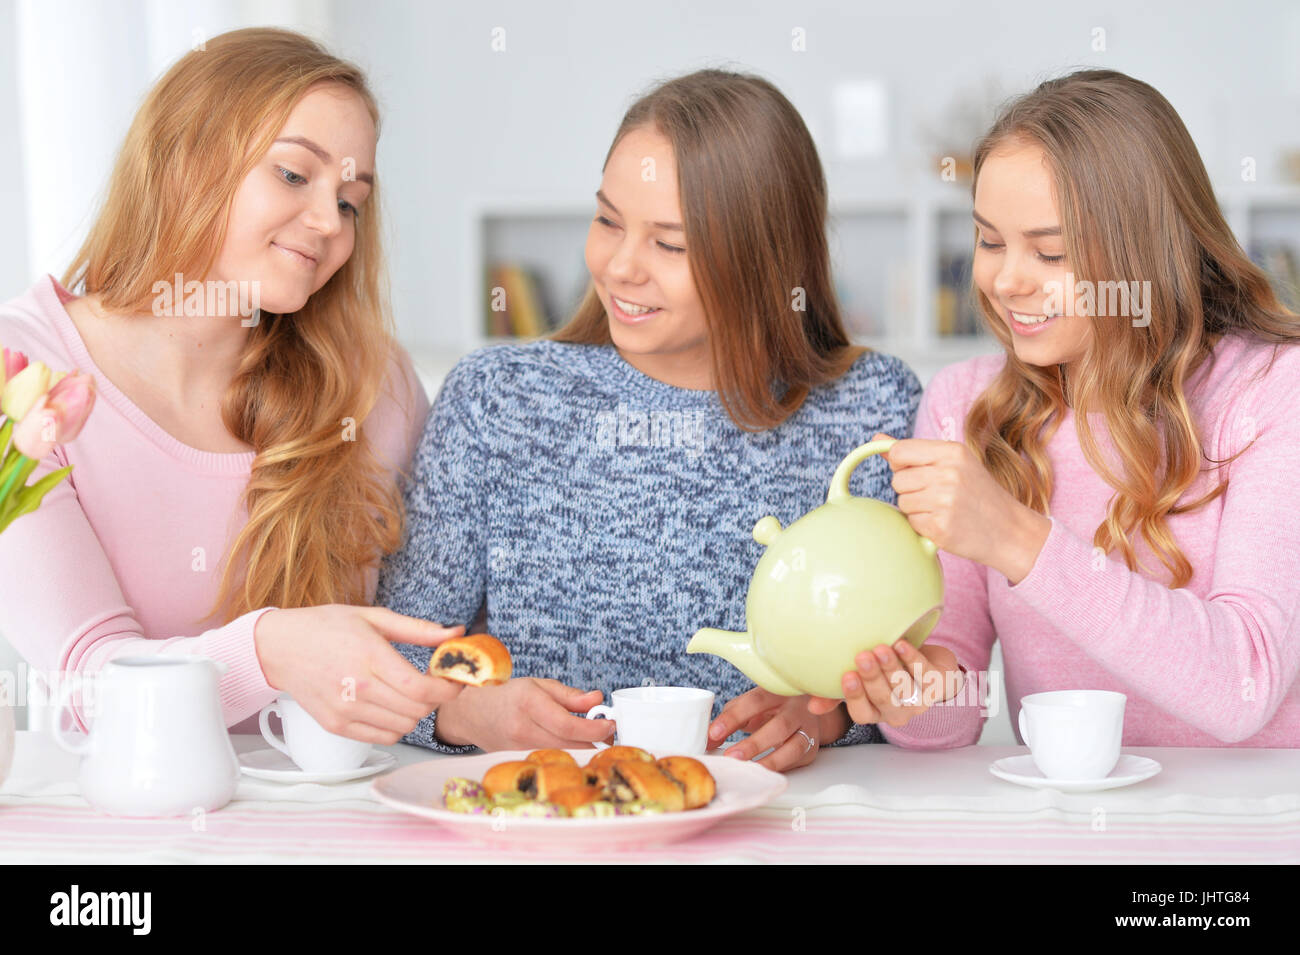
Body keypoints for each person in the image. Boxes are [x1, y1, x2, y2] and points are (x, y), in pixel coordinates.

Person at [378, 69, 961, 772]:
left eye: (670, 244)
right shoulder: (497, 399)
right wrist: (469, 712)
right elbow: (398, 655)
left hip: (784, 830)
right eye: (607, 220)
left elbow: (920, 676)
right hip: (546, 823)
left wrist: (826, 716)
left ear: (765, 263)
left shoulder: (870, 408)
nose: (620, 266)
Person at [0, 28, 464, 741]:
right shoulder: (23, 372)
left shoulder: (374, 386)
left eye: (349, 201)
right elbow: (87, 685)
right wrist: (269, 649)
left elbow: (434, 646)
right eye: (292, 174)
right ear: (188, 159)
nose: (326, 224)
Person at [813, 69, 1300, 748]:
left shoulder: (1271, 388)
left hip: (1249, 827)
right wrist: (909, 693)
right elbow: (957, 706)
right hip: (1065, 822)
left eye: (1050, 252)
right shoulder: (966, 405)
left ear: (1143, 257)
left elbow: (1243, 682)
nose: (1006, 280)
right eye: (988, 241)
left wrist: (1016, 538)